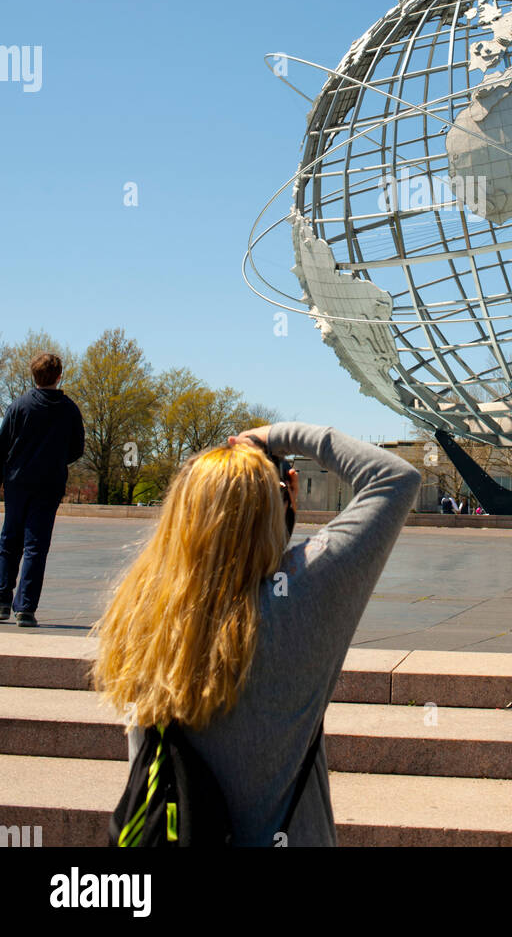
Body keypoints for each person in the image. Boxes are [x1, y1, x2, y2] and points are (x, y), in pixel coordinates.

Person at [93, 421, 421, 846]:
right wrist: (273, 436)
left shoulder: (141, 614)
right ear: (280, 505)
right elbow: (395, 478)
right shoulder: (300, 599)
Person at [0, 352, 85, 627]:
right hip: (49, 483)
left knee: (9, 541)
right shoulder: (69, 410)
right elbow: (77, 448)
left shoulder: (19, 406)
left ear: (33, 374)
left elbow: (2, 446)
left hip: (17, 481)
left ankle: (1, 601)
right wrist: (56, 460)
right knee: (36, 545)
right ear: (60, 375)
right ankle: (25, 608)